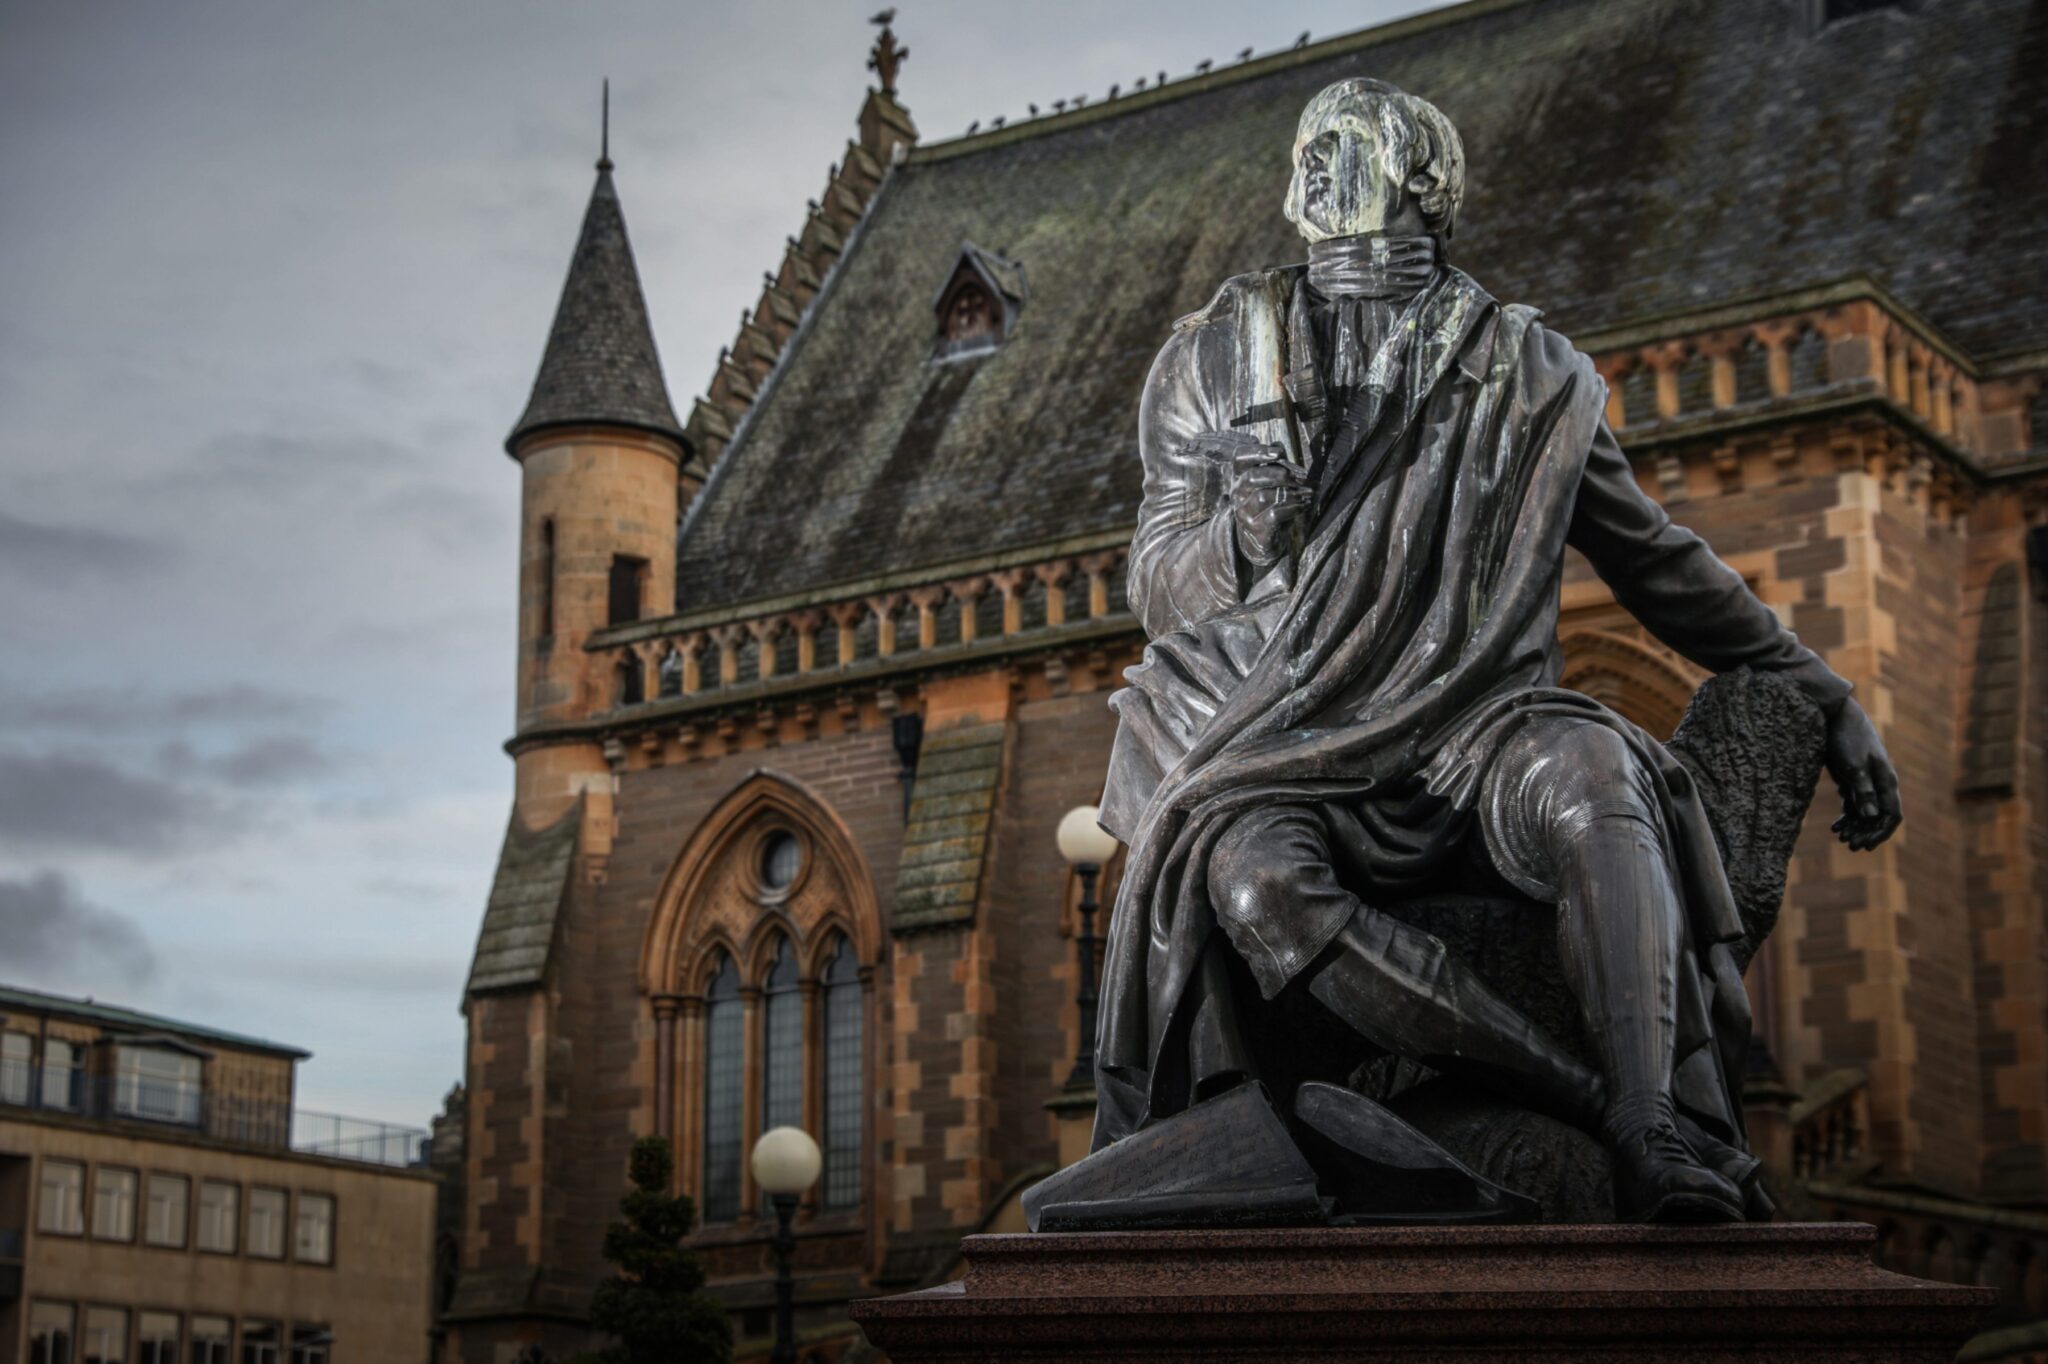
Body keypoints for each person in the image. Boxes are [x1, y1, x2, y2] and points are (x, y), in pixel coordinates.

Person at [1092, 77, 1901, 1222]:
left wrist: (1813, 681)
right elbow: (1156, 573)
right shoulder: (1214, 358)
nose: (1324, 183)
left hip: (1472, 720)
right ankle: (1582, 1095)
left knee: (1596, 779)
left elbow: (1651, 559)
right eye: (1312, 163)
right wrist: (1242, 532)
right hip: (1284, 728)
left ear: (1427, 188)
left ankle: (1647, 1114)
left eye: (1350, 160)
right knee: (1255, 882)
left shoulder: (1526, 371)